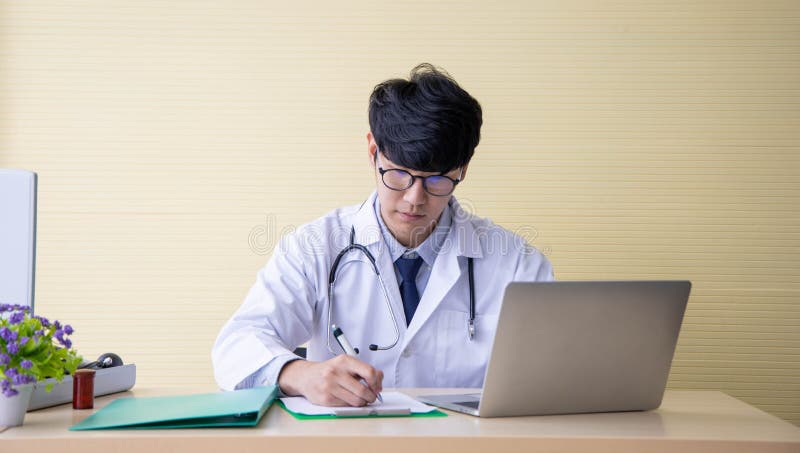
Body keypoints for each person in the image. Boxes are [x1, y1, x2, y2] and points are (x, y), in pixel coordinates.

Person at [212, 63, 554, 407]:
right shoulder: (315, 246)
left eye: (437, 180)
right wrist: (298, 374)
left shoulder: (517, 265)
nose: (414, 198)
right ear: (373, 151)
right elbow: (235, 346)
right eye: (399, 174)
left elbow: (556, 373)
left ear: (463, 169)